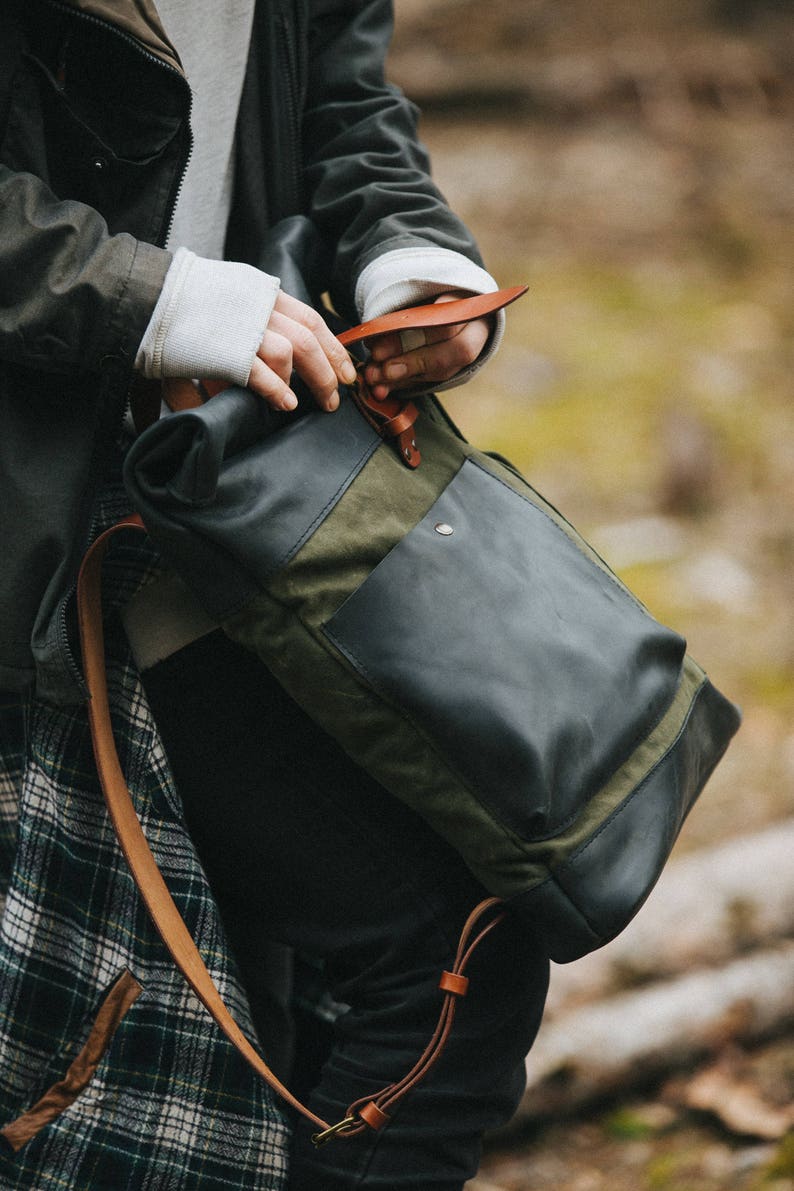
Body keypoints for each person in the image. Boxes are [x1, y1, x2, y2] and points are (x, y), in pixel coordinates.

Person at [0, 1, 550, 1187]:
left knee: (342, 977)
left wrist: (409, 252)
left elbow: (342, 108)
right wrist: (144, 297)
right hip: (41, 549)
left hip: (228, 510)